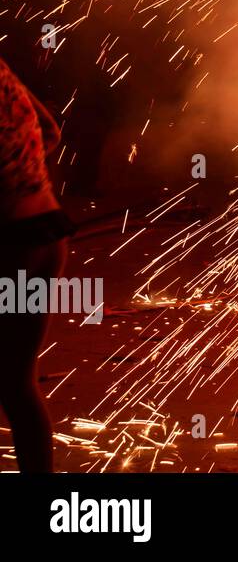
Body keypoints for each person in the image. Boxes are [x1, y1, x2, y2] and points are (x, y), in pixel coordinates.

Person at [0, 56, 74, 473]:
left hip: (11, 247)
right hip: (45, 232)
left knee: (12, 381)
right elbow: (50, 131)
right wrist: (23, 174)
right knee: (15, 383)